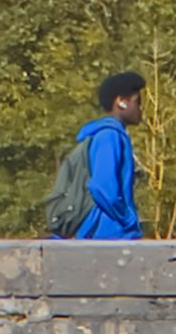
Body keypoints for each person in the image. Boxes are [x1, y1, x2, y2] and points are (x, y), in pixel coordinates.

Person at [40, 70, 150, 240]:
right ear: (121, 102)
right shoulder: (109, 137)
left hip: (107, 235)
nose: (141, 108)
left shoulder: (111, 135)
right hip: (107, 235)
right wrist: (128, 222)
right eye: (138, 101)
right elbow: (102, 188)